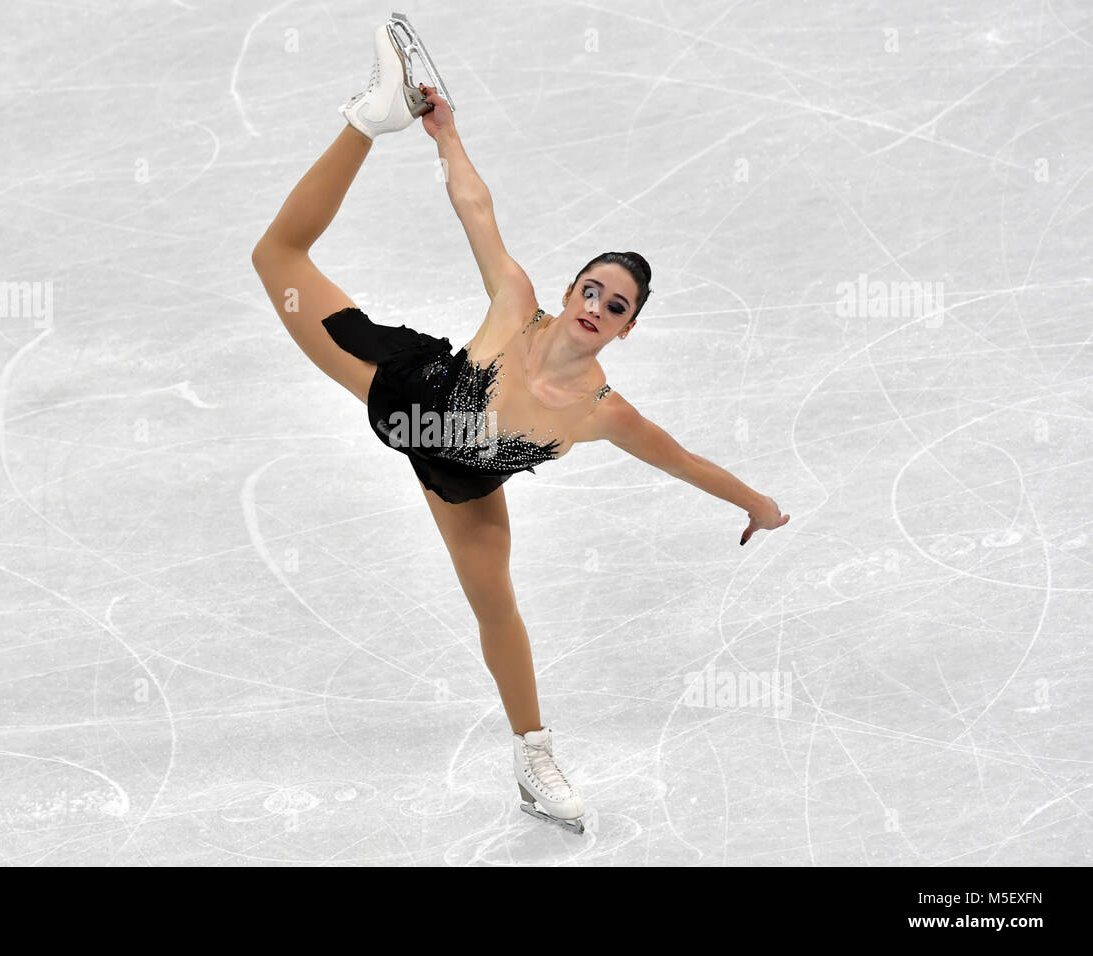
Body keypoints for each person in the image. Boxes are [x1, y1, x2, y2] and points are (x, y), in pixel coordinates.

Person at [250, 15, 789, 835]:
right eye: (592, 290)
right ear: (571, 291)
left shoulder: (605, 414)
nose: (597, 307)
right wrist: (444, 135)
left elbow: (684, 463)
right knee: (277, 260)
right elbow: (475, 206)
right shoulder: (515, 304)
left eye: (616, 306)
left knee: (496, 607)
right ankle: (370, 116)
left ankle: (534, 756)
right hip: (400, 389)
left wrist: (758, 504)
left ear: (626, 329)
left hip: (463, 486)